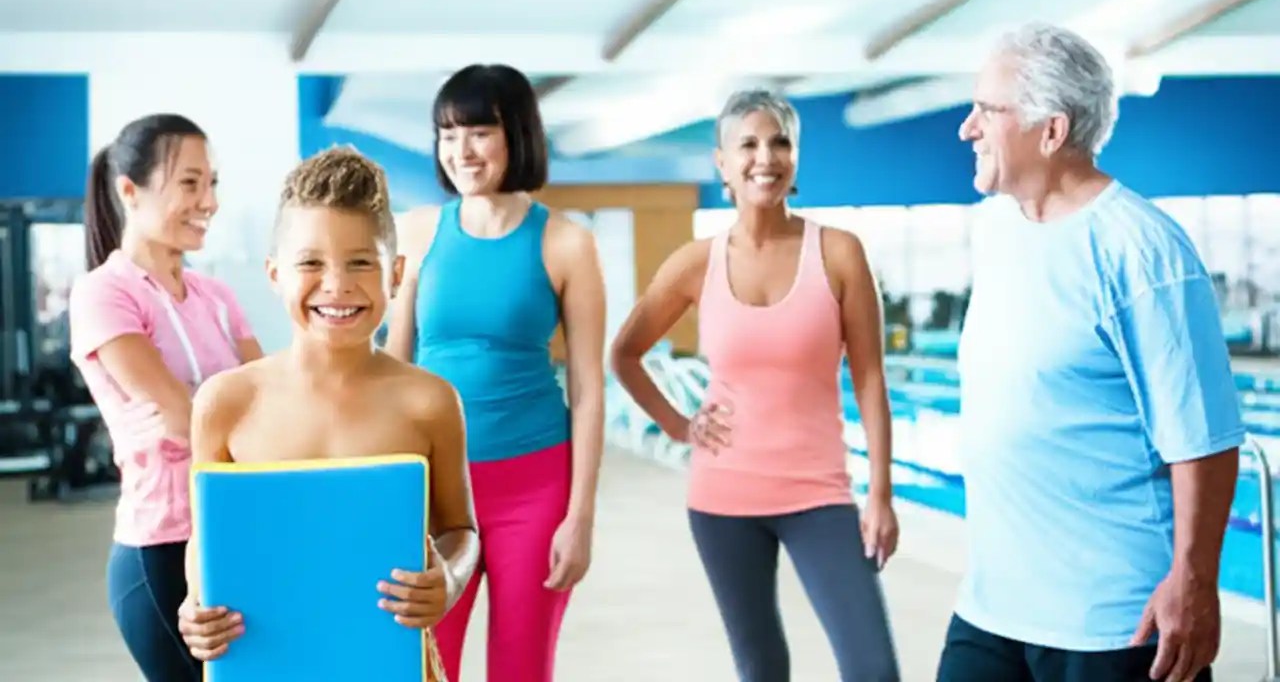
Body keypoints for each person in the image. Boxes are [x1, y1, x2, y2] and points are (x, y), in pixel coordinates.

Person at [937, 22, 1245, 682]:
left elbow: (1205, 440)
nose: (967, 128)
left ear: (1051, 131)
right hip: (992, 610)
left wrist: (1193, 583)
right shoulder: (996, 230)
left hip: (1116, 624)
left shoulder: (1141, 251)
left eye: (986, 111)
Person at [610, 89, 901, 682]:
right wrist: (679, 425)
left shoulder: (840, 253)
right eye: (747, 144)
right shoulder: (696, 263)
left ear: (795, 158)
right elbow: (625, 353)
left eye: (780, 142)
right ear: (722, 163)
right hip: (723, 500)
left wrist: (880, 493)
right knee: (761, 668)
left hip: (820, 494)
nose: (764, 157)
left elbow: (870, 377)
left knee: (873, 668)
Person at [173, 147, 481, 682]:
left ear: (395, 273)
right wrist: (195, 604)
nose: (336, 285)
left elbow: (461, 529)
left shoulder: (429, 401)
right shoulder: (227, 403)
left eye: (361, 262)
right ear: (274, 274)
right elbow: (208, 537)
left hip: (393, 664)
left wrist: (450, 580)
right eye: (310, 262)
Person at [383, 63, 606, 682]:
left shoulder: (566, 242)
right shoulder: (420, 231)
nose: (461, 151)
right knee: (424, 665)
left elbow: (588, 389)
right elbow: (394, 366)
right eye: (447, 134)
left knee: (520, 670)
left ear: (518, 135)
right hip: (434, 487)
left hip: (534, 486)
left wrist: (580, 515)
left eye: (479, 131)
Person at [66, 113, 263, 682]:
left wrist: (209, 412)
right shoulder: (104, 293)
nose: (209, 201)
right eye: (190, 183)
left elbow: (271, 401)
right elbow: (184, 422)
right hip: (161, 546)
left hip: (235, 530)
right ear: (130, 191)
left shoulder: (216, 295)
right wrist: (218, 413)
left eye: (213, 183)